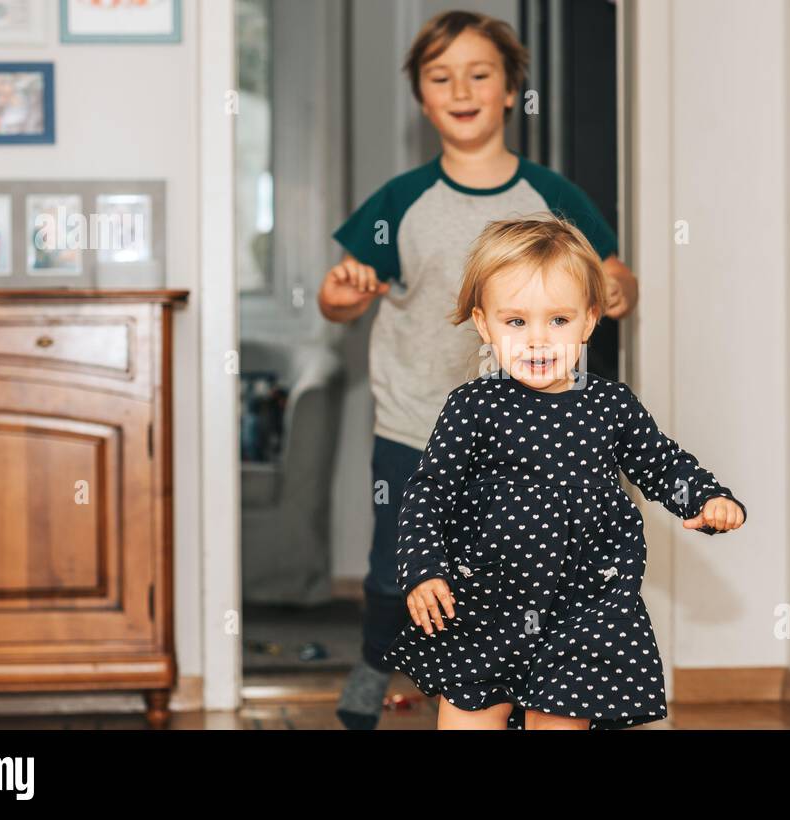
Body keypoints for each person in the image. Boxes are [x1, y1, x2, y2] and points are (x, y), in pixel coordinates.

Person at [319, 10, 639, 730]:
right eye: (441, 76)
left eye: (479, 73)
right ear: (423, 98)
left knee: (517, 573)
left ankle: (510, 695)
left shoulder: (553, 197)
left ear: (508, 91)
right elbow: (339, 296)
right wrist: (340, 293)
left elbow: (612, 274)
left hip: (529, 434)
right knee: (392, 573)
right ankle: (378, 654)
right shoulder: (399, 203)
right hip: (415, 426)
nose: (460, 87)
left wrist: (619, 286)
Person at [382, 214, 746, 730]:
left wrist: (706, 499)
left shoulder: (610, 406)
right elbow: (429, 493)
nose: (538, 341)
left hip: (585, 608)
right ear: (484, 324)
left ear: (590, 319)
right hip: (485, 603)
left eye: (558, 320)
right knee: (469, 717)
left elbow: (661, 463)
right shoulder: (472, 407)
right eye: (516, 322)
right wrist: (423, 570)